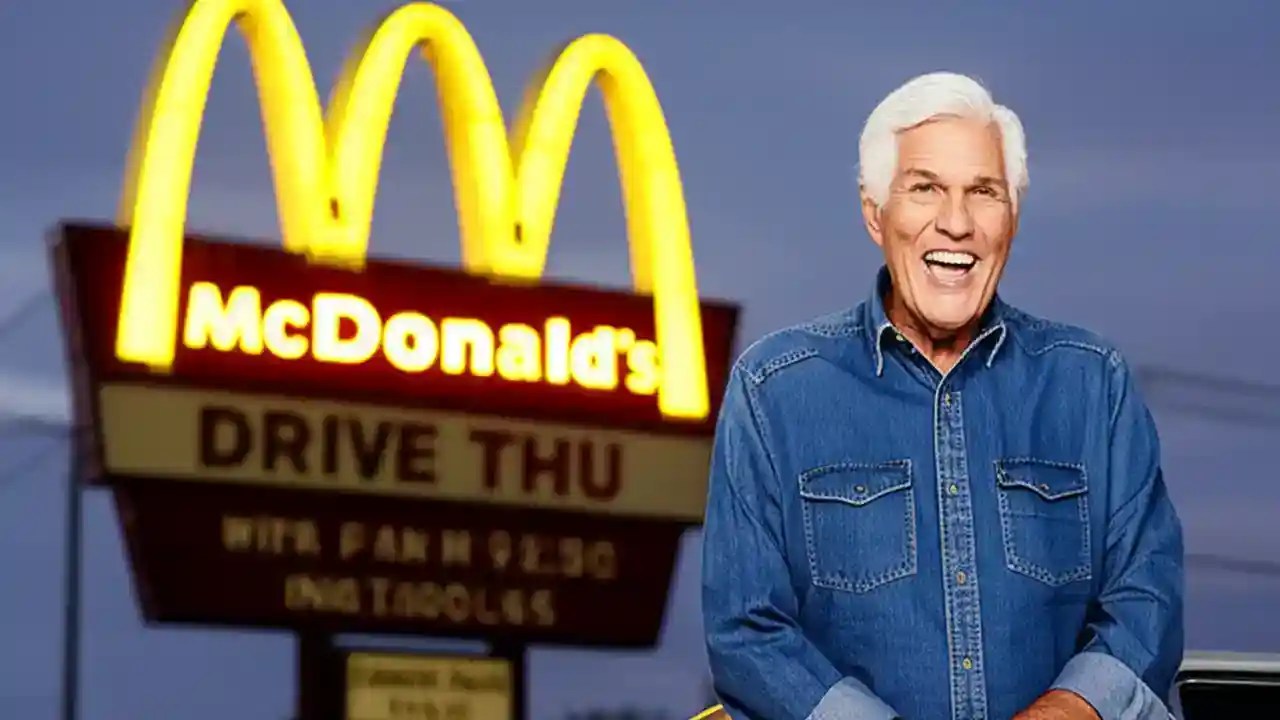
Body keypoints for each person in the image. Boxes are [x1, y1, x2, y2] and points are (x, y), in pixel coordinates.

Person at [700, 71, 1184, 720]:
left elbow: (1147, 596)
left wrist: (1070, 710)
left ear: (1011, 217)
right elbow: (745, 628)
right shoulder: (773, 390)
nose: (956, 223)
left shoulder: (1094, 384)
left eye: (983, 192)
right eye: (925, 188)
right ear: (875, 213)